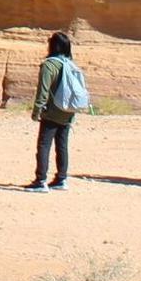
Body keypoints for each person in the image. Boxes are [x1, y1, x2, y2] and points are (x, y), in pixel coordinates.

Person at [29, 31, 82, 191]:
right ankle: (61, 179)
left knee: (44, 145)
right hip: (68, 111)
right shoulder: (71, 64)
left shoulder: (49, 65)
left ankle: (40, 181)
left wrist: (37, 110)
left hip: (52, 111)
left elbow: (43, 90)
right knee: (62, 145)